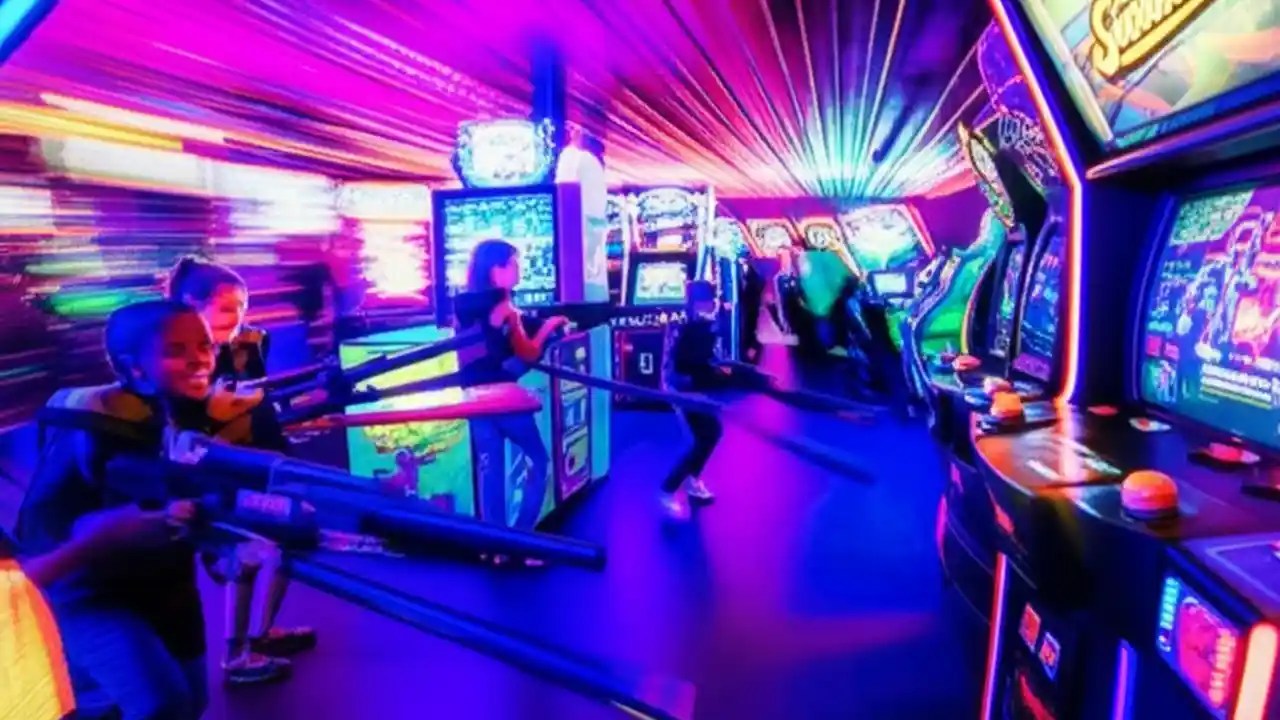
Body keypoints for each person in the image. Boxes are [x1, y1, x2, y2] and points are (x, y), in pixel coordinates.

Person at [16, 300, 220, 720]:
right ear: (135, 369)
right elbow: (32, 572)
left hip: (169, 588)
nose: (199, 359)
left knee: (192, 701)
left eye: (205, 345)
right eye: (176, 350)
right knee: (162, 704)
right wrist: (103, 538)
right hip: (89, 594)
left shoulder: (180, 417)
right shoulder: (87, 434)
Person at [167, 256, 313, 685]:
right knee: (245, 554)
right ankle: (235, 656)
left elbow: (257, 399)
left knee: (289, 539)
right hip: (219, 472)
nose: (238, 317)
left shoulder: (244, 345)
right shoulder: (182, 359)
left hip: (260, 462)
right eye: (228, 308)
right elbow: (198, 417)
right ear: (192, 305)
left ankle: (260, 634)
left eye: (243, 307)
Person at [454, 240, 569, 562]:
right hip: (503, 397)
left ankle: (495, 546)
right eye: (514, 264)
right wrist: (550, 326)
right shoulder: (504, 306)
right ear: (496, 270)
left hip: (474, 398)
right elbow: (528, 352)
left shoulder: (461, 306)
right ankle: (522, 541)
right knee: (539, 461)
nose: (519, 269)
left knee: (490, 470)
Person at [659, 280, 732, 518]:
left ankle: (691, 480)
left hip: (689, 385)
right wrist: (716, 375)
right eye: (708, 299)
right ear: (699, 302)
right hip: (682, 388)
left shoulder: (698, 323)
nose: (712, 303)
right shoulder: (693, 326)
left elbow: (702, 358)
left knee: (709, 433)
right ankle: (668, 490)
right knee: (703, 437)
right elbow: (685, 363)